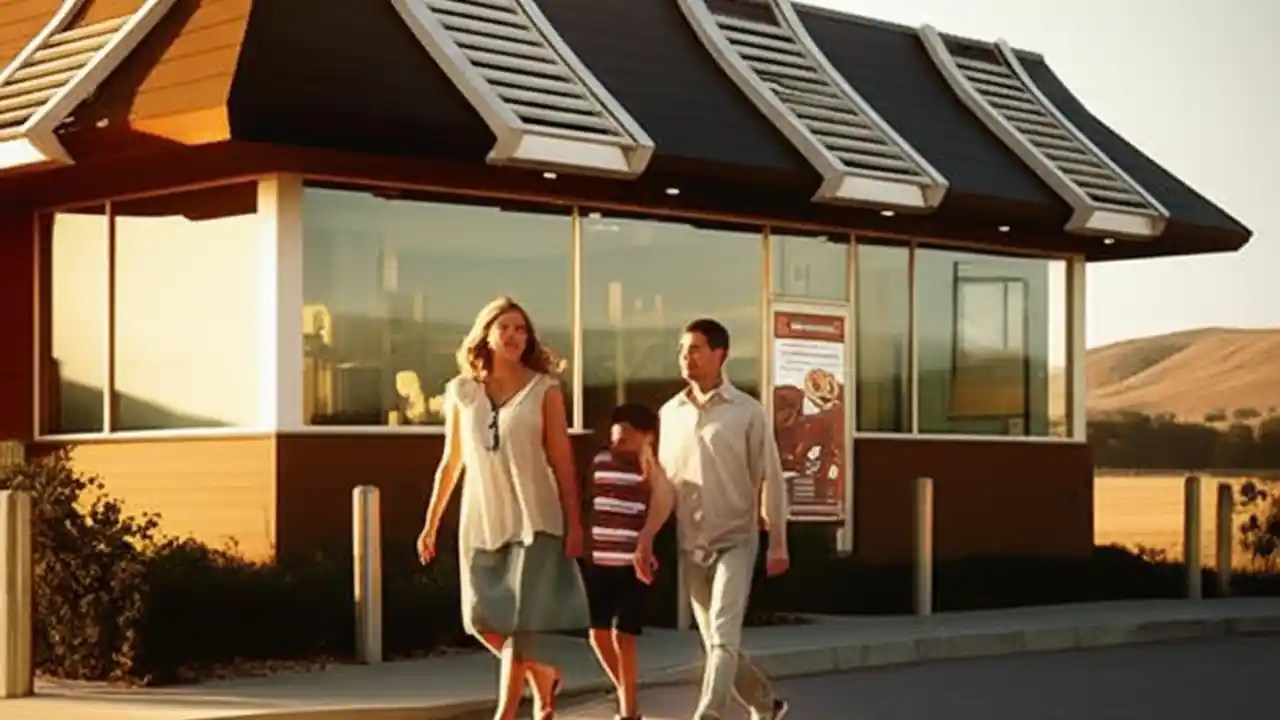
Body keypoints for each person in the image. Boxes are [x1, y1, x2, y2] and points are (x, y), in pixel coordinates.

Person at [416, 296, 588, 720]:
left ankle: (506, 714)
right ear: (486, 335)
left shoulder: (544, 390)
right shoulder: (461, 392)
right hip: (482, 517)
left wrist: (575, 523)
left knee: (519, 626)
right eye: (505, 328)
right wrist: (431, 523)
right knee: (480, 620)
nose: (513, 336)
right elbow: (451, 462)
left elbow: (561, 461)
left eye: (521, 329)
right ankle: (542, 675)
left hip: (535, 518)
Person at [652, 318, 791, 720]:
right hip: (691, 541)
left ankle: (709, 714)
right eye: (682, 349)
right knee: (715, 639)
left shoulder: (747, 412)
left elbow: (770, 476)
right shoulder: (670, 413)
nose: (686, 358)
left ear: (720, 354)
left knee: (724, 634)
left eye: (695, 349)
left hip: (736, 537)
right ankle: (766, 704)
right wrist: (646, 540)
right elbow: (664, 486)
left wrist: (777, 540)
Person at [583, 403, 674, 720]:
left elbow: (665, 496)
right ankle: (626, 690)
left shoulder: (651, 470)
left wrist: (648, 458)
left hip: (632, 565)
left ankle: (629, 710)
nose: (617, 445)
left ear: (645, 437)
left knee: (624, 635)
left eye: (625, 439)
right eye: (614, 438)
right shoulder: (599, 461)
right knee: (597, 634)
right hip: (598, 561)